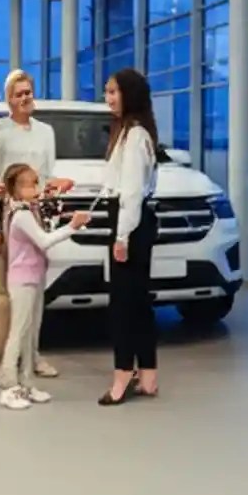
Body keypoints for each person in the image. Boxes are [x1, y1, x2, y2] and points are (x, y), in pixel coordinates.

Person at [0, 69, 74, 379]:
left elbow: (45, 176)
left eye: (28, 92)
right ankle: (5, 362)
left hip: (38, 217)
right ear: (8, 99)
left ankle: (33, 356)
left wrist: (55, 185)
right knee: (10, 298)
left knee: (35, 295)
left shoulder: (45, 131)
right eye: (18, 93)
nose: (25, 97)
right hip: (9, 220)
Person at [0, 163, 91, 409]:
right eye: (26, 184)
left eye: (35, 182)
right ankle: (9, 381)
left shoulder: (30, 210)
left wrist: (62, 218)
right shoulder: (21, 214)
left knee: (31, 333)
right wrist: (72, 227)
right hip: (23, 279)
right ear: (13, 189)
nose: (33, 188)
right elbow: (44, 240)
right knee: (20, 331)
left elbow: (45, 231)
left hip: (35, 276)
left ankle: (26, 382)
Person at [97, 68, 161, 406]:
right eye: (106, 92)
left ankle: (123, 376)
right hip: (133, 222)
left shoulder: (135, 136)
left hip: (130, 224)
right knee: (137, 303)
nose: (108, 99)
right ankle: (147, 375)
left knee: (123, 305)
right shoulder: (130, 132)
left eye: (113, 92)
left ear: (130, 94)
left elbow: (132, 193)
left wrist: (121, 237)